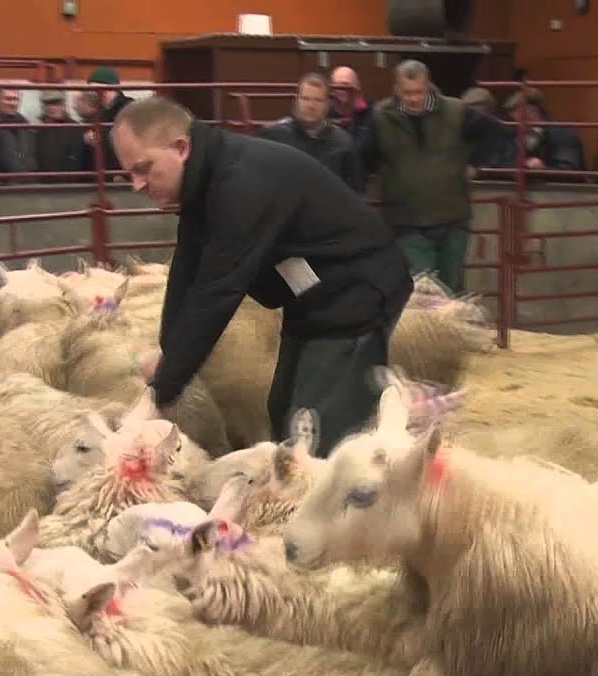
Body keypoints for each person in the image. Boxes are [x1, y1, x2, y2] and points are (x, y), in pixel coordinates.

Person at [109, 96, 414, 458]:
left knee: (317, 430)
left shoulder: (240, 183)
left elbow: (218, 290)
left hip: (357, 292)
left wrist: (160, 395)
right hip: (311, 297)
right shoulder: (205, 181)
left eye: (143, 168)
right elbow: (188, 267)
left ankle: (335, 500)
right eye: (129, 173)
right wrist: (167, 351)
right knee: (283, 409)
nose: (137, 184)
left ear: (181, 148)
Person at [358, 59, 505, 294]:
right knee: (426, 291)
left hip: (452, 217)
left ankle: (453, 331)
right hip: (406, 220)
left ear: (428, 86)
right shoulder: (380, 117)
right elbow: (363, 158)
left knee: (452, 288)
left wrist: (476, 165)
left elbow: (496, 132)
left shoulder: (456, 111)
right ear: (396, 89)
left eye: (419, 91)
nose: (414, 98)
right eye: (407, 92)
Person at [256, 72, 362, 191]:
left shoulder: (343, 143)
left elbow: (354, 194)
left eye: (317, 100)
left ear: (327, 104)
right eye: (306, 99)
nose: (311, 106)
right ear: (297, 101)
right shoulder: (273, 136)